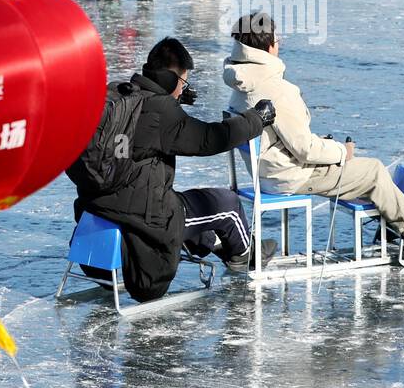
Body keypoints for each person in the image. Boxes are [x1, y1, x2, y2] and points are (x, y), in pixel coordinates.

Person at [223, 11, 404, 262]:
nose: (279, 44)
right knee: (374, 171)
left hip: (266, 172)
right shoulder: (277, 90)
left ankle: (393, 225)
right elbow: (305, 149)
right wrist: (341, 151)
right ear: (269, 46)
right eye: (278, 39)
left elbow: (283, 138)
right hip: (289, 175)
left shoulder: (242, 85)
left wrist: (327, 146)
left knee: (359, 170)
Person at [69, 38, 277, 301]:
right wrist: (255, 119)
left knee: (181, 204)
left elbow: (145, 135)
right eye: (182, 82)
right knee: (227, 204)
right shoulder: (161, 110)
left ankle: (213, 243)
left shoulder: (121, 96)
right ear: (170, 80)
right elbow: (210, 138)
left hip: (100, 204)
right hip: (145, 218)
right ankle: (247, 256)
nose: (183, 90)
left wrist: (175, 101)